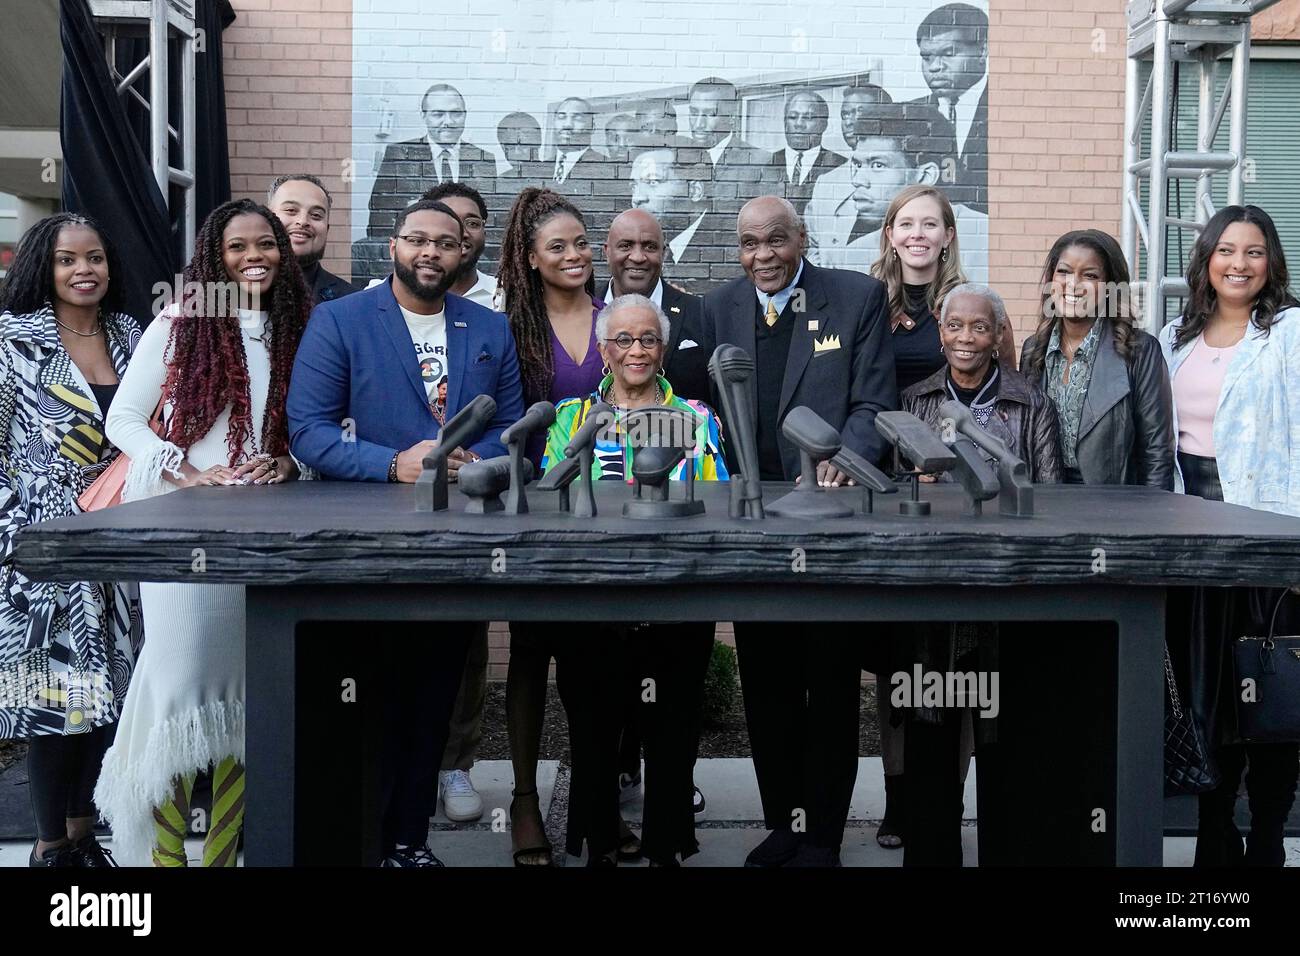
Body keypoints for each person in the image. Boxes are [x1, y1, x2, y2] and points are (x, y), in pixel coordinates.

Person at [287, 197, 522, 866]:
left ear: (462, 254)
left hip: (455, 544)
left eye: (445, 243)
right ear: (391, 246)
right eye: (416, 239)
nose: (430, 252)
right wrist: (393, 464)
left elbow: (513, 431)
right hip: (362, 543)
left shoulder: (488, 328)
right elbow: (308, 431)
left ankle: (410, 841)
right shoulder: (340, 320)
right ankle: (359, 842)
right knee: (368, 700)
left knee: (434, 697)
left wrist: (487, 460)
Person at [96, 199, 312, 867]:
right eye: (237, 247)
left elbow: (314, 426)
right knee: (179, 684)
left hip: (258, 523)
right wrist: (184, 470)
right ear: (212, 257)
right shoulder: (179, 321)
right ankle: (165, 858)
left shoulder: (297, 325)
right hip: (177, 518)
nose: (255, 257)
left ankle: (218, 856)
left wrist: (287, 462)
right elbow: (123, 421)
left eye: (266, 244)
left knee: (245, 693)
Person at [699, 196, 896, 867]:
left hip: (829, 520)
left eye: (775, 241)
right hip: (753, 522)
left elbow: (873, 402)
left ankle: (823, 838)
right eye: (749, 243)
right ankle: (784, 822)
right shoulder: (719, 306)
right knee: (768, 682)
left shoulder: (856, 297)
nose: (762, 256)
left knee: (831, 681)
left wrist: (847, 458)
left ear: (801, 238)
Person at [540, 294, 728, 865]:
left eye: (647, 339)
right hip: (591, 599)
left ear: (663, 350)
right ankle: (599, 840)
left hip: (676, 596)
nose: (636, 350)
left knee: (671, 731)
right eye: (622, 340)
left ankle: (667, 841)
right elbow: (550, 497)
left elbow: (715, 495)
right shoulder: (571, 417)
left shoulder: (696, 417)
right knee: (594, 731)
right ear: (603, 351)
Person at [898, 283, 1060, 867]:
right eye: (954, 327)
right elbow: (901, 491)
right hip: (935, 590)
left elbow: (1047, 494)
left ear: (998, 336)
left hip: (1006, 589)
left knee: (1003, 734)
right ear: (940, 333)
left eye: (979, 328)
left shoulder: (1030, 402)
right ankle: (931, 854)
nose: (965, 338)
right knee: (931, 728)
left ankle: (1007, 852)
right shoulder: (916, 400)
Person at [1159, 205, 1300, 867]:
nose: (1238, 264)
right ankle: (1216, 835)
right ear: (1206, 259)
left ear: (1270, 263)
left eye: (1253, 252)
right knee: (1206, 693)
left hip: (1270, 533)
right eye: (1226, 251)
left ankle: (1268, 836)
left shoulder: (1291, 332)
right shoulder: (1171, 338)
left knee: (1269, 690)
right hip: (1193, 539)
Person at [0, 214, 142, 868]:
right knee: (54, 697)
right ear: (43, 267)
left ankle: (86, 835)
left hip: (120, 532)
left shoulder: (129, 333)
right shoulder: (12, 339)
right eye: (67, 260)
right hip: (43, 541)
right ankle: (50, 846)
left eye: (95, 258)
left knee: (111, 691)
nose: (85, 270)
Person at [497, 188, 630, 865]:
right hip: (533, 505)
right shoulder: (508, 325)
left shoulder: (618, 319)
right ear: (531, 258)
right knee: (529, 649)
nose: (575, 255)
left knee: (597, 660)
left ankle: (596, 806)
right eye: (559, 247)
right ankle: (523, 801)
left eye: (582, 243)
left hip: (605, 507)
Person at [1021, 229, 1173, 487]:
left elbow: (1156, 454)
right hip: (1045, 504)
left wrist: (1153, 520)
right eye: (1064, 272)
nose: (1073, 284)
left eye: (1090, 275)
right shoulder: (1033, 350)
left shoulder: (1140, 352)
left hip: (1114, 507)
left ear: (1110, 288)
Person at [807, 103, 986, 281]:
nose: (857, 180)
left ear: (924, 176)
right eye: (858, 164)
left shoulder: (985, 239)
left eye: (878, 165)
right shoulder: (854, 258)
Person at [871, 184, 1011, 395]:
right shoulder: (867, 303)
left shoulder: (980, 305)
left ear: (948, 235)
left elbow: (1008, 387)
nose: (917, 234)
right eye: (906, 224)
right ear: (891, 234)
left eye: (929, 224)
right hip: (878, 426)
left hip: (953, 426)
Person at [603, 208, 711, 402]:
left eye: (649, 247)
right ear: (607, 252)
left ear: (663, 253)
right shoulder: (585, 309)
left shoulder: (700, 313)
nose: (637, 257)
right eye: (626, 246)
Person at [367, 83, 497, 236]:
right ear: (424, 115)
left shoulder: (484, 159)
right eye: (438, 114)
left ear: (465, 114)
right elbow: (378, 217)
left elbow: (491, 221)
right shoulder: (399, 155)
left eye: (456, 113)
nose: (448, 121)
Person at [907, 3, 988, 213]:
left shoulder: (1012, 109)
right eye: (927, 57)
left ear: (982, 51)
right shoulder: (909, 114)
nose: (934, 66)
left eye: (948, 54)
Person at [629, 142, 725, 292]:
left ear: (694, 190)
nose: (637, 197)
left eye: (652, 182)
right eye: (634, 186)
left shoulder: (723, 252)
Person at [686, 77, 772, 219]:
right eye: (694, 113)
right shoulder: (678, 160)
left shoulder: (760, 162)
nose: (698, 124)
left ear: (731, 117)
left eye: (710, 114)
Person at [268, 174, 359, 305]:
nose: (303, 221)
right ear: (266, 218)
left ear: (327, 229)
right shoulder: (235, 294)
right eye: (291, 210)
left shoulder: (352, 301)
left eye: (316, 215)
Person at [421, 182, 497, 310]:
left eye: (472, 223)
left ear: (484, 233)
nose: (462, 233)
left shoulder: (508, 296)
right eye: (448, 221)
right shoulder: (386, 295)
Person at [770, 91, 846, 214]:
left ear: (824, 124)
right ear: (785, 123)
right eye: (793, 117)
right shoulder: (766, 163)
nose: (799, 124)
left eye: (808, 117)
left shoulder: (841, 166)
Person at [548, 97, 608, 192]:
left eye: (578, 119)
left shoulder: (605, 169)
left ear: (592, 127)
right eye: (561, 117)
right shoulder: (539, 168)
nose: (567, 125)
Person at [498, 111, 542, 176]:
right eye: (511, 148)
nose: (517, 152)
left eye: (523, 146)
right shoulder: (502, 181)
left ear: (538, 143)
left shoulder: (556, 177)